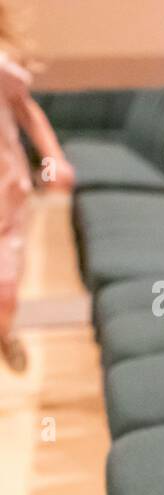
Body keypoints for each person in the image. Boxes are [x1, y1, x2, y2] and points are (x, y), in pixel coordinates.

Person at [0, 5, 75, 373]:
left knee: (7, 290)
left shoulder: (1, 67)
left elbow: (28, 113)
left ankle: (4, 330)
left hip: (7, 194)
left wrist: (53, 159)